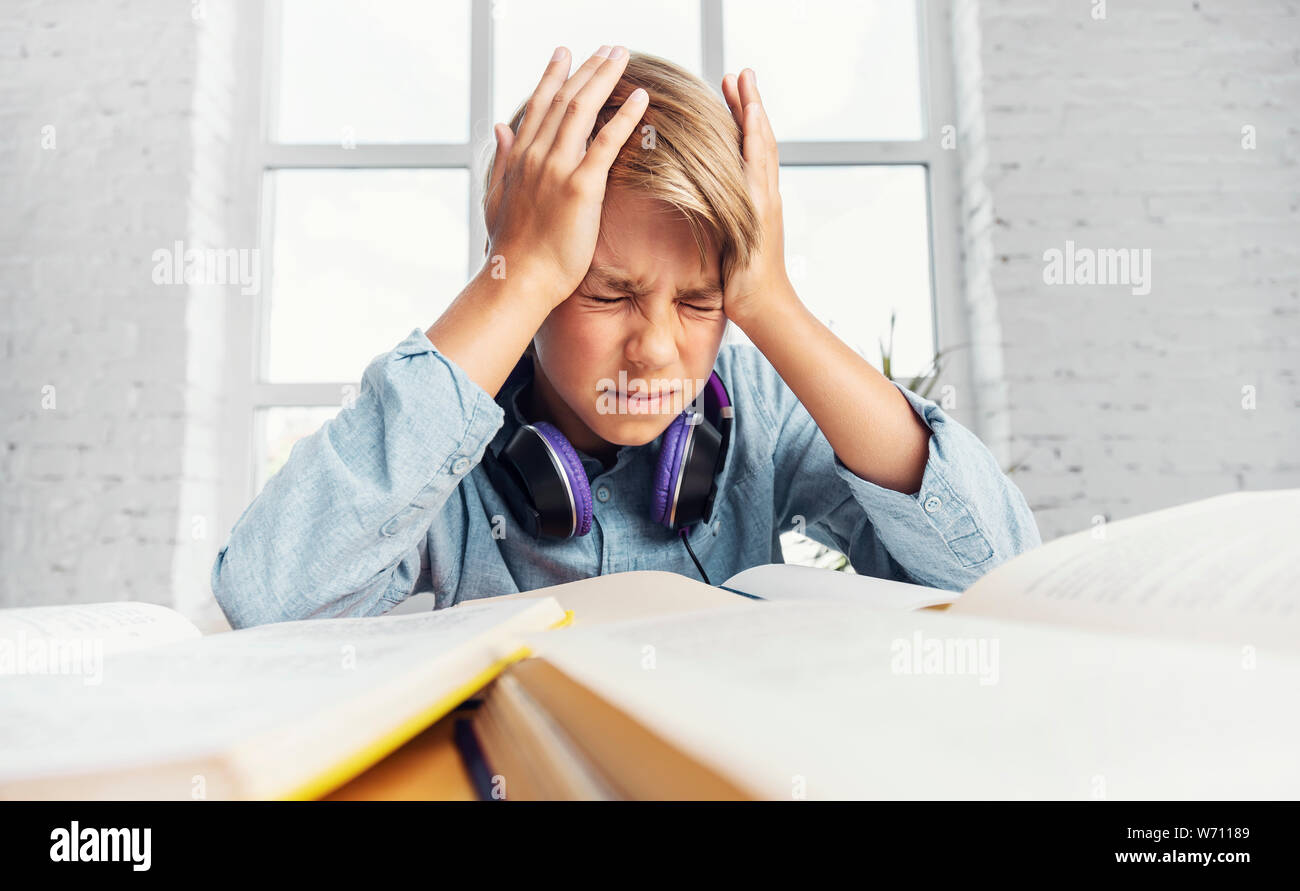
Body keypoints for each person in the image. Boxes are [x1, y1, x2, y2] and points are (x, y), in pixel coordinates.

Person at [212, 45, 1041, 629]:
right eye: (609, 293)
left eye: (698, 302)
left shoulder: (755, 409)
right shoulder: (444, 446)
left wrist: (773, 304)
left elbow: (995, 574)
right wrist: (518, 275)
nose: (655, 349)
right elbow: (270, 594)